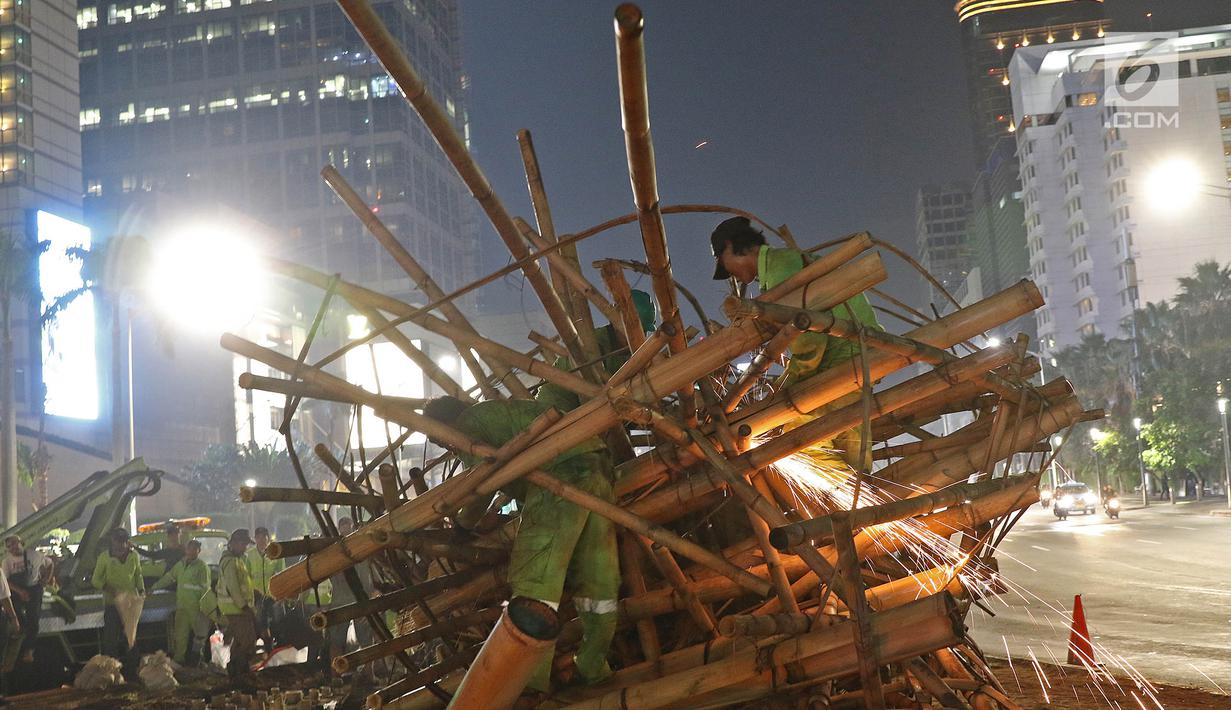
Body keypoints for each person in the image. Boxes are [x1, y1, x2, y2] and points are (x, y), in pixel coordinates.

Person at [423, 396, 619, 692]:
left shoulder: (469, 424)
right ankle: (592, 668)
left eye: (439, 439)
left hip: (559, 478)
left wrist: (463, 526)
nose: (444, 446)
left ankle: (530, 681)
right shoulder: (502, 409)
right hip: (596, 467)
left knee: (535, 580)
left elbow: (481, 482)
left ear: (444, 424)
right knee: (597, 581)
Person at [711, 216, 884, 470]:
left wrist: (785, 388)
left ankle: (845, 496)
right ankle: (864, 497)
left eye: (725, 265)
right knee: (852, 448)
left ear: (730, 246)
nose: (732, 276)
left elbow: (809, 340)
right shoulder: (779, 267)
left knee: (798, 444)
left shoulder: (782, 268)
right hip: (858, 353)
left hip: (843, 356)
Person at [91, 528, 144, 672]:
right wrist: (109, 589)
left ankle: (133, 671)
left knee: (131, 639)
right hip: (112, 605)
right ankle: (112, 671)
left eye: (122, 542)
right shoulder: (104, 557)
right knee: (111, 641)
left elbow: (138, 575)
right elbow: (95, 580)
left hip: (130, 605)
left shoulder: (134, 556)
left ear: (127, 542)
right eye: (116, 542)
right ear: (112, 541)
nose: (119, 546)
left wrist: (141, 590)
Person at [151, 539, 211, 665]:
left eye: (195, 549)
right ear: (186, 550)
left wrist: (204, 608)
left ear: (199, 551)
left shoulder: (202, 567)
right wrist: (153, 588)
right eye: (190, 548)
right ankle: (179, 661)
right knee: (180, 636)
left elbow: (206, 589)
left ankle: (199, 662)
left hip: (196, 608)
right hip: (182, 607)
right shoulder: (181, 565)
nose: (192, 551)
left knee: (199, 637)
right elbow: (168, 578)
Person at [326, 517, 372, 663]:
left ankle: (368, 674)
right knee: (337, 641)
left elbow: (367, 579)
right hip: (341, 602)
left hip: (357, 602)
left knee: (365, 640)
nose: (346, 532)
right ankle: (336, 674)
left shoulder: (361, 551)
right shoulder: (334, 553)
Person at [3, 535, 51, 663]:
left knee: (34, 618)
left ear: (21, 543)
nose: (12, 547)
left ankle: (29, 650)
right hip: (16, 591)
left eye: (14, 543)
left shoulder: (34, 555)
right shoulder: (7, 562)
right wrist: (20, 592)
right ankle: (21, 629)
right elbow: (6, 581)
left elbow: (50, 563)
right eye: (9, 546)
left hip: (34, 589)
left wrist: (46, 579)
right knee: (13, 611)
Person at [217, 529, 257, 679]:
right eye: (243, 544)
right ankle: (239, 671)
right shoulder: (230, 562)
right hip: (236, 609)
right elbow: (233, 588)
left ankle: (237, 671)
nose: (245, 547)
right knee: (248, 641)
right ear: (233, 543)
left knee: (240, 641)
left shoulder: (237, 560)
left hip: (236, 608)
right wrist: (244, 607)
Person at [245, 527, 284, 645]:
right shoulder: (249, 555)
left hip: (272, 595)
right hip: (256, 596)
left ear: (268, 538)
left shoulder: (275, 552)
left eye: (264, 537)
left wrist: (281, 594)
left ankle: (276, 645)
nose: (261, 540)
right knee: (261, 623)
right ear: (255, 539)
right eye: (258, 537)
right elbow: (246, 576)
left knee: (276, 622)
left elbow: (281, 574)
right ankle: (268, 646)